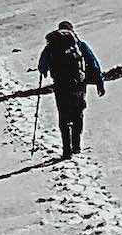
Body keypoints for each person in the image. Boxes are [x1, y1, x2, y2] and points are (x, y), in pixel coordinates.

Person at [35, 19, 107, 160]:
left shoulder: (52, 45)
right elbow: (93, 62)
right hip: (78, 84)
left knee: (63, 116)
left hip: (60, 85)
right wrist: (99, 82)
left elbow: (41, 65)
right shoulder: (79, 44)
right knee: (78, 114)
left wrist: (45, 71)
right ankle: (77, 146)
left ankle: (66, 150)